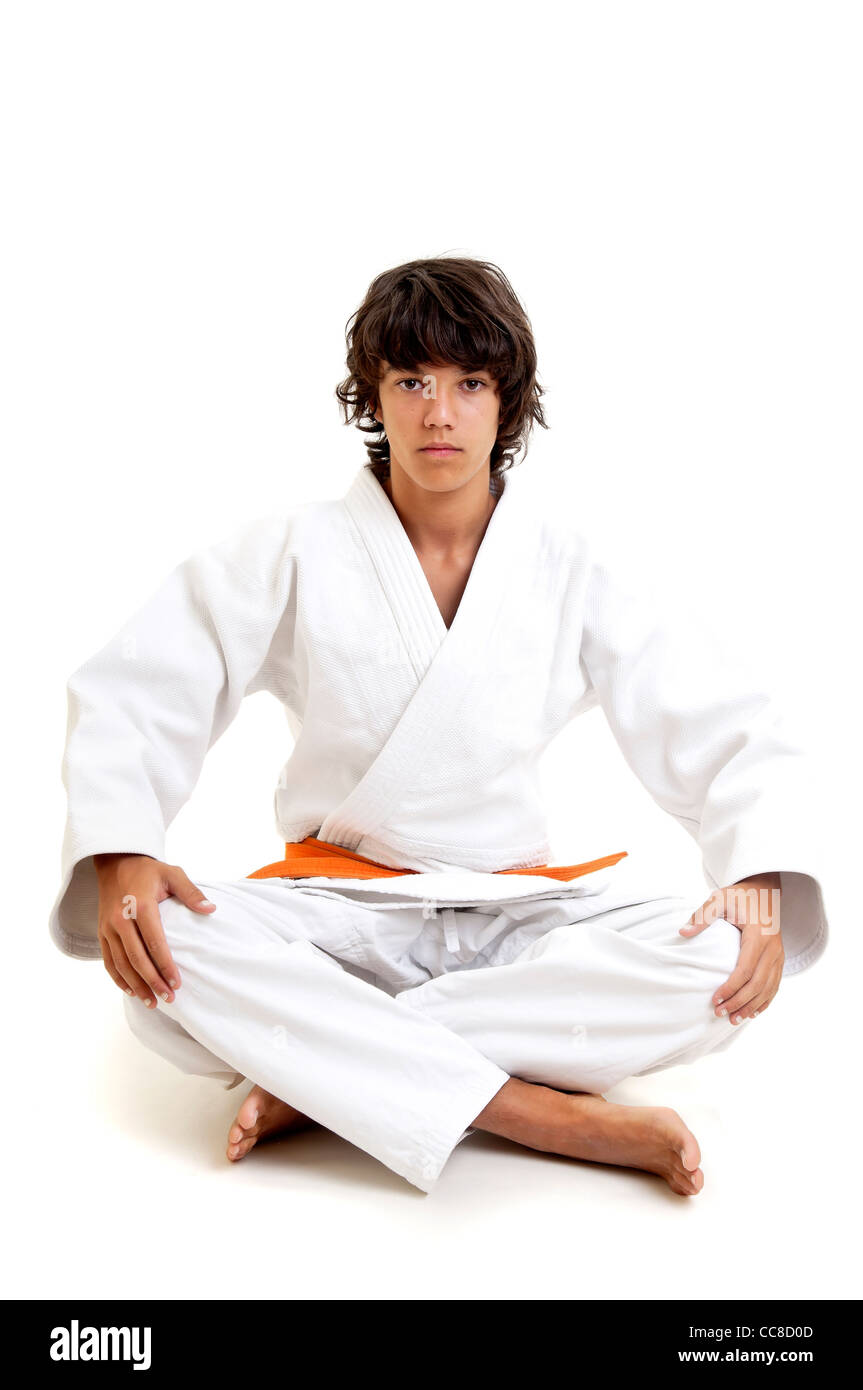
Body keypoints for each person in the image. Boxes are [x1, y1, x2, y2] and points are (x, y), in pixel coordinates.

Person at [50, 256, 829, 1198]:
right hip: (334, 911)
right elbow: (139, 690)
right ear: (372, 397)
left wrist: (753, 867)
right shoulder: (294, 550)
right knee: (163, 966)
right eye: (410, 381)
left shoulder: (571, 565)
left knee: (717, 961)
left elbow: (725, 717)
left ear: (509, 404)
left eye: (469, 384)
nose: (438, 413)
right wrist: (125, 850)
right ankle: (534, 1112)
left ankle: (322, 1071)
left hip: (519, 912)